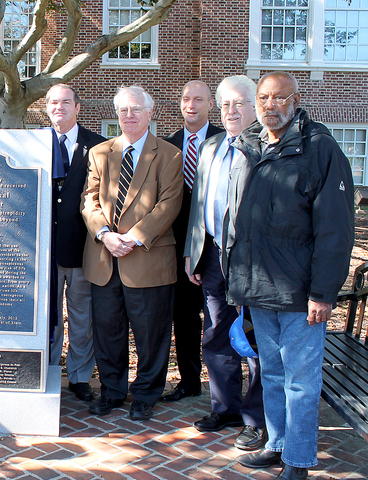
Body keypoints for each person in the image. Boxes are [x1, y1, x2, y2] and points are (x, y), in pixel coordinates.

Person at [225, 71, 354, 480]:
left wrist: (323, 292)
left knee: (301, 380)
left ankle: (299, 460)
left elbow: (335, 230)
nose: (271, 105)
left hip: (301, 294)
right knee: (274, 374)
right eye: (264, 98)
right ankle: (277, 444)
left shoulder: (320, 149)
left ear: (296, 100)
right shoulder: (255, 146)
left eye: (280, 97)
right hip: (261, 288)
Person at [81, 86, 183, 421]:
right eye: (124, 110)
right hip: (104, 259)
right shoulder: (100, 153)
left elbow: (168, 205)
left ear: (150, 113)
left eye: (136, 109)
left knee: (150, 334)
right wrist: (106, 235)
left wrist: (134, 238)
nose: (129, 115)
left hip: (148, 261)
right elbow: (90, 199)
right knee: (108, 332)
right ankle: (112, 391)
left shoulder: (169, 154)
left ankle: (145, 395)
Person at [183, 76, 266, 450]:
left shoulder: (267, 146)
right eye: (226, 104)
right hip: (213, 255)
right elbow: (199, 206)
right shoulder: (212, 145)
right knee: (217, 332)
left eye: (239, 104)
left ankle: (256, 418)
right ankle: (225, 407)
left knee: (254, 338)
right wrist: (192, 251)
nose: (232, 111)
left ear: (255, 107)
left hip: (256, 262)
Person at [162, 81, 224, 402]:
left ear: (210, 104)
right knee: (184, 316)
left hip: (214, 247)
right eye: (186, 98)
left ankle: (223, 387)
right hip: (177, 248)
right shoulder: (169, 146)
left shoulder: (224, 140)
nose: (191, 104)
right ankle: (189, 381)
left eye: (198, 99)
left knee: (217, 317)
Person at [45, 84, 106, 402]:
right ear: (46, 107)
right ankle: (49, 371)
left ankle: (80, 376)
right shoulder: (35, 144)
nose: (59, 107)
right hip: (44, 251)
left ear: (77, 107)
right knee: (48, 317)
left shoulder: (97, 145)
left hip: (84, 248)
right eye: (53, 102)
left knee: (82, 318)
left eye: (66, 102)